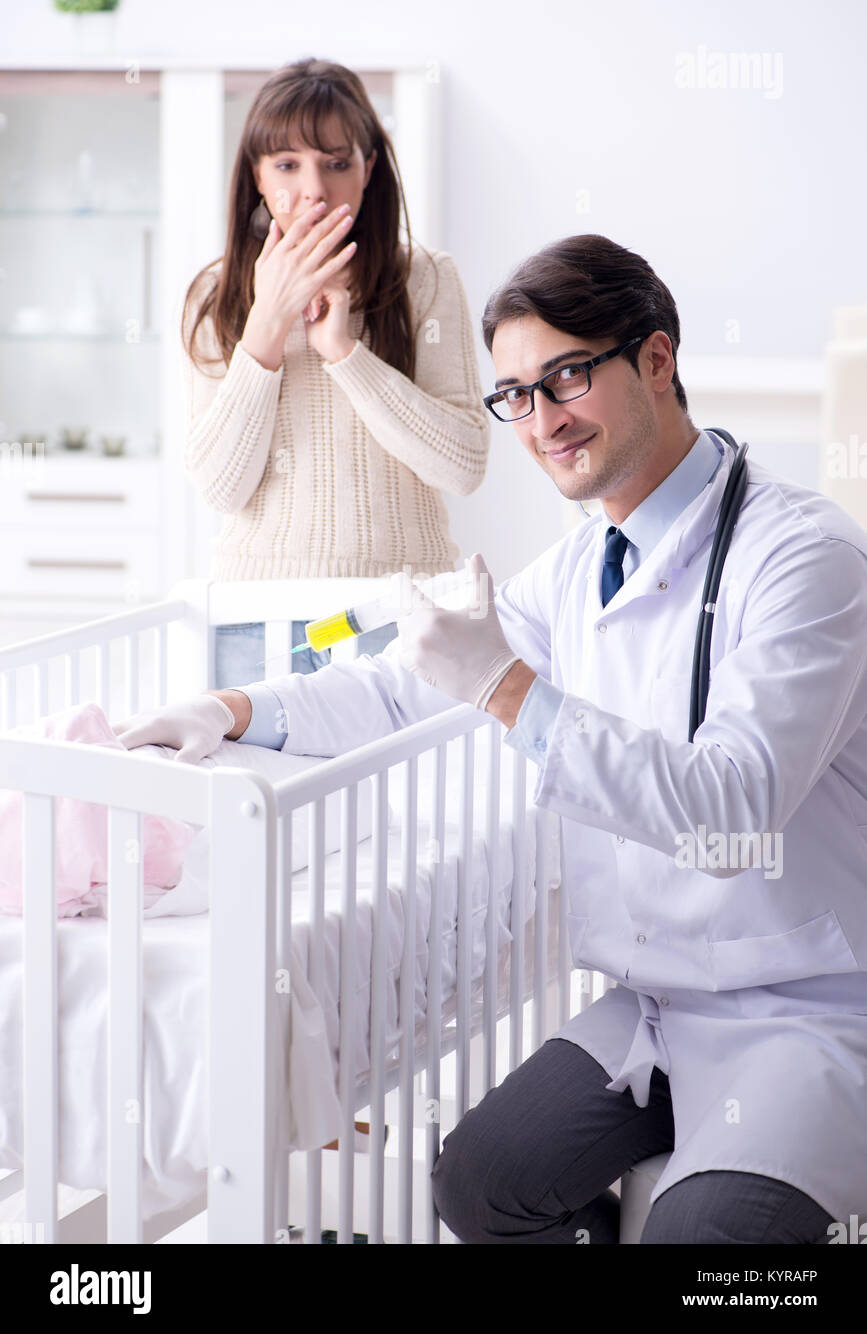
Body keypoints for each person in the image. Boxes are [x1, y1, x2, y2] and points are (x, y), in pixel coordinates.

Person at [117, 234, 867, 1245]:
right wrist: (236, 709)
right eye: (515, 394)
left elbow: (732, 807)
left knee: (709, 1249)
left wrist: (508, 686)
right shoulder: (580, 566)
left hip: (803, 1007)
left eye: (567, 376)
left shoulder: (804, 559)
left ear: (654, 360)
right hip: (660, 1002)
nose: (543, 420)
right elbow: (407, 683)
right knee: (480, 1183)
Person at [181, 56, 489, 688]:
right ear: (258, 178)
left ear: (369, 168)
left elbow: (463, 466)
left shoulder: (426, 279)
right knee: (257, 788)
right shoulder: (216, 293)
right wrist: (268, 324)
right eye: (288, 164)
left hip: (400, 616)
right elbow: (219, 488)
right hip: (255, 619)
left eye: (336, 162)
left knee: (410, 791)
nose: (314, 189)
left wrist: (343, 351)